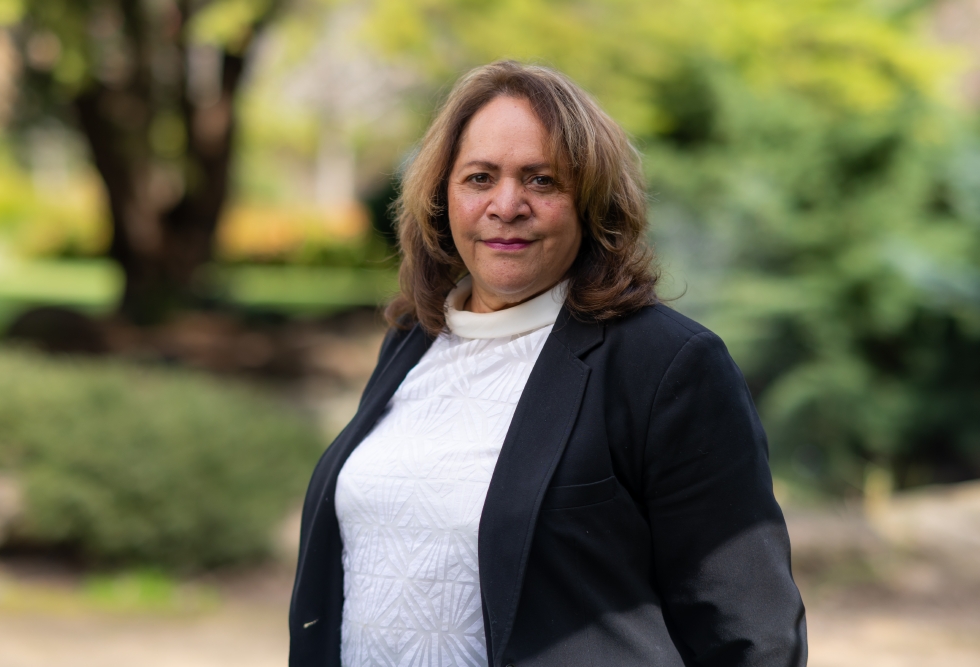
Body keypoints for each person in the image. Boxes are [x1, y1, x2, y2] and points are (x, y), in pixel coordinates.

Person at [289, 60, 807, 667]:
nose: (506, 205)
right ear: (442, 197)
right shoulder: (414, 339)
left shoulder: (665, 366)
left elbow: (752, 633)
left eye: (542, 181)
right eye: (479, 178)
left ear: (591, 202)